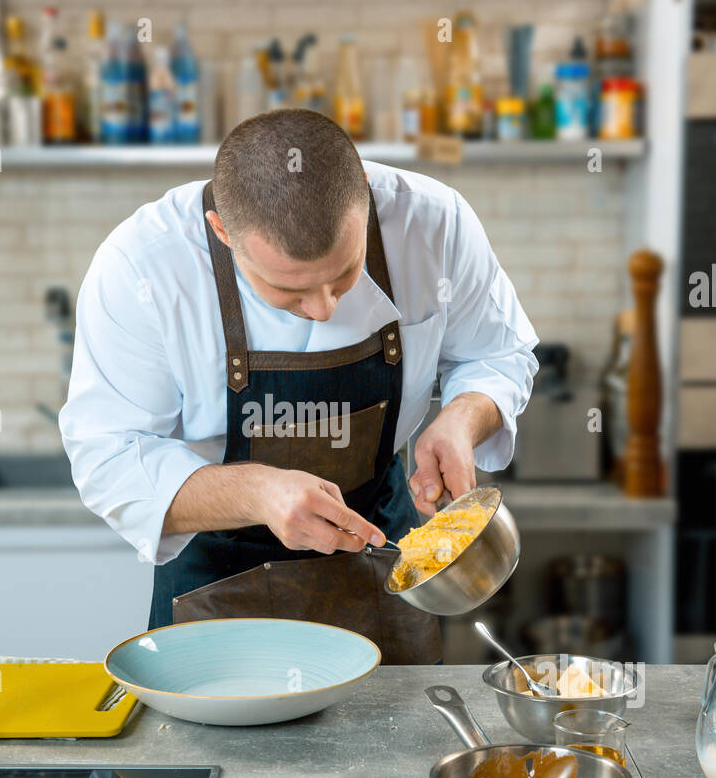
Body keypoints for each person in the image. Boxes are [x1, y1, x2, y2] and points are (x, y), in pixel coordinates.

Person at [60, 109, 537, 664]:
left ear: (367, 200)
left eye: (344, 275)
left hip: (382, 554)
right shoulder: (143, 267)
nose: (324, 309)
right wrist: (258, 492)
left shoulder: (435, 223)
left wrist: (462, 416)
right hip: (216, 581)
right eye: (288, 291)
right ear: (223, 231)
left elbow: (498, 353)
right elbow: (108, 459)